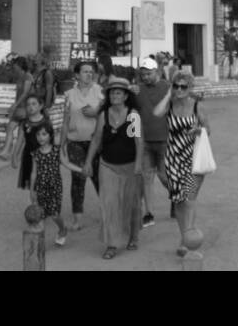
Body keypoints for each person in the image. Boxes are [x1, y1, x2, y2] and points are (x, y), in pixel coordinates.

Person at [85, 77, 145, 259]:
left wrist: (138, 164)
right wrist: (88, 161)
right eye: (112, 92)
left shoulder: (133, 115)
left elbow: (139, 141)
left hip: (129, 166)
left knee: (131, 204)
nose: (114, 95)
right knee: (109, 205)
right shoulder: (104, 114)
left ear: (126, 96)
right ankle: (112, 244)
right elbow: (96, 139)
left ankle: (133, 236)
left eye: (118, 92)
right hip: (107, 165)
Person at [153, 71, 211, 256]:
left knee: (190, 199)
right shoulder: (169, 105)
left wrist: (198, 130)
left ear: (190, 88)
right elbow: (156, 113)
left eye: (183, 86)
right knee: (178, 201)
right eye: (176, 85)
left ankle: (189, 237)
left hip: (194, 159)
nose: (179, 89)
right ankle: (184, 236)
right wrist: (168, 94)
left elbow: (208, 130)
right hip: (173, 159)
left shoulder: (197, 106)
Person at [60, 60, 103, 230]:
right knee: (78, 180)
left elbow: (107, 112)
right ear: (77, 75)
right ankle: (77, 218)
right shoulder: (69, 94)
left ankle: (107, 212)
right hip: (75, 142)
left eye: (91, 71)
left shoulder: (99, 92)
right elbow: (65, 121)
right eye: (85, 71)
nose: (89, 74)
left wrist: (97, 111)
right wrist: (61, 144)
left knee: (99, 178)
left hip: (96, 142)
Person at [131, 56, 171, 228]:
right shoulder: (137, 90)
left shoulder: (167, 87)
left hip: (164, 140)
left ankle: (176, 198)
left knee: (163, 176)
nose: (145, 77)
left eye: (148, 74)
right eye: (143, 74)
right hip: (145, 141)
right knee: (147, 177)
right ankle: (149, 213)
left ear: (157, 72)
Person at [29, 122, 80, 247]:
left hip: (55, 187)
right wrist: (32, 190)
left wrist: (81, 170)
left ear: (50, 135)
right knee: (40, 215)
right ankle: (39, 244)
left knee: (54, 214)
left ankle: (62, 229)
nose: (41, 137)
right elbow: (33, 173)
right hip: (41, 187)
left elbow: (67, 163)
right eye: (38, 134)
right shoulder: (35, 154)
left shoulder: (56, 150)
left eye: (44, 134)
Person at [16, 94, 50, 190]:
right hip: (28, 156)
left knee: (42, 184)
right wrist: (15, 155)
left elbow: (51, 140)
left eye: (34, 104)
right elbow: (20, 140)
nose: (31, 107)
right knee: (32, 184)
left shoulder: (46, 122)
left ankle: (41, 203)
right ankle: (35, 203)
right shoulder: (24, 123)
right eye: (28, 104)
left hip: (43, 156)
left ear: (41, 106)